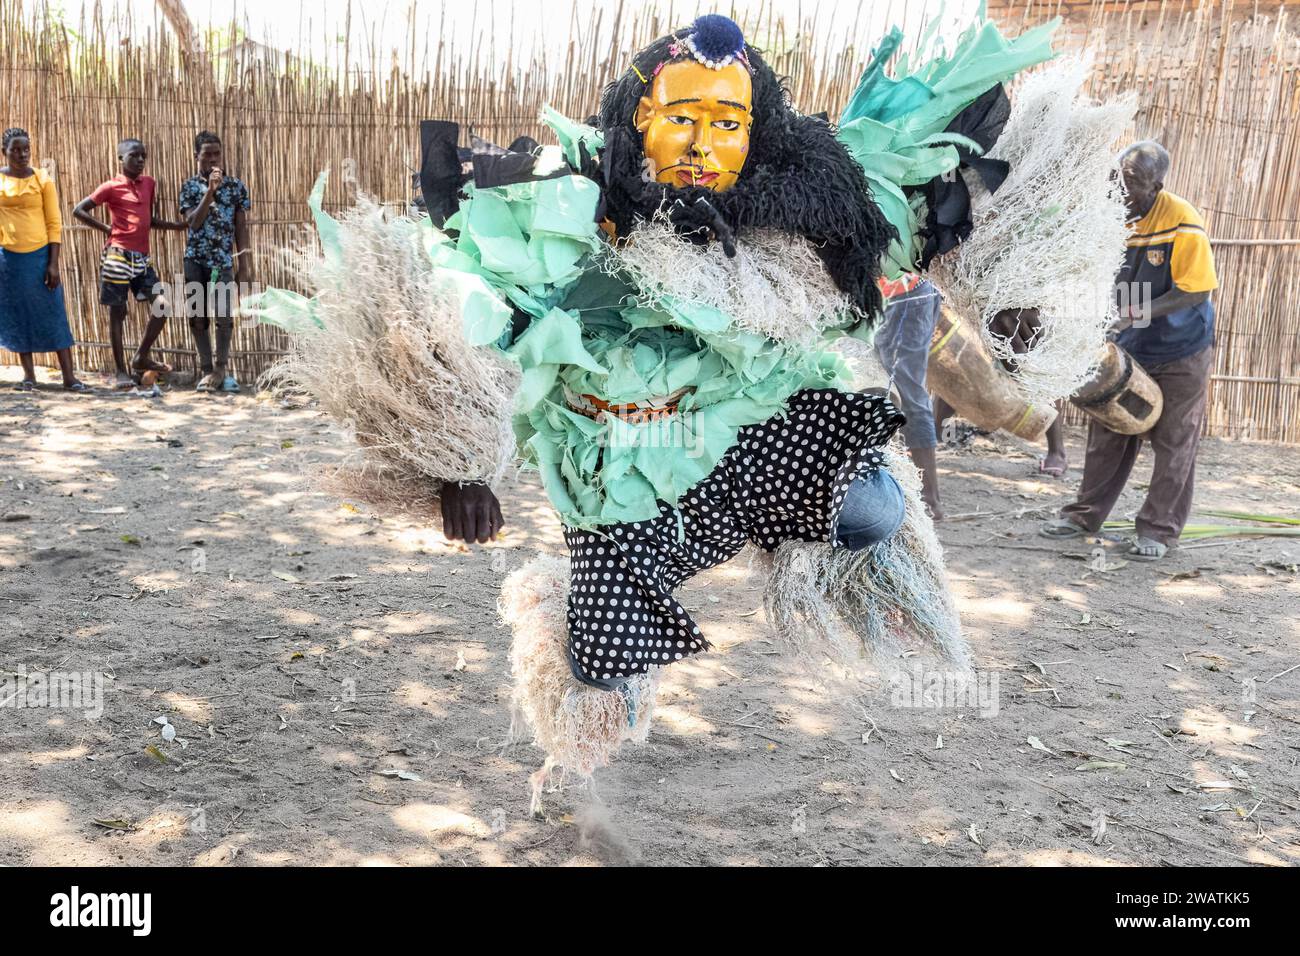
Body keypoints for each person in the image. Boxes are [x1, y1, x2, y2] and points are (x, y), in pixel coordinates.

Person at [250, 13, 1056, 791]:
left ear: (757, 130)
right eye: (684, 117)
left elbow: (931, 191)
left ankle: (796, 547)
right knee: (600, 674)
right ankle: (567, 655)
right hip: (618, 479)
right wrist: (456, 464)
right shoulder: (564, 208)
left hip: (751, 432)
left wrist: (1015, 302)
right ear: (640, 116)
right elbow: (461, 309)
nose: (706, 143)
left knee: (874, 513)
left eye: (729, 122)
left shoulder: (805, 200)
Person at [1041, 141, 1218, 561]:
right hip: (1132, 345)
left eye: (1134, 181)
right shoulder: (1110, 215)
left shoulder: (1182, 220)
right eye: (1119, 175)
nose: (1123, 186)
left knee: (1175, 438)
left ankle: (1159, 530)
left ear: (1157, 185)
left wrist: (1133, 313)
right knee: (1109, 430)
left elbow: (1196, 291)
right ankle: (1083, 516)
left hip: (1181, 346)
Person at [73, 138, 186, 389]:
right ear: (120, 159)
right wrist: (107, 229)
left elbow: (148, 218)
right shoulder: (110, 187)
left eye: (143, 156)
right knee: (118, 312)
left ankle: (140, 356)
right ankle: (121, 370)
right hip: (117, 256)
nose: (140, 160)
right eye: (134, 155)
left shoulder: (148, 183)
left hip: (141, 258)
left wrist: (176, 226)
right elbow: (79, 210)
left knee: (162, 306)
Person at [0, 128, 87, 392]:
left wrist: (53, 263)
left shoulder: (42, 179)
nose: (22, 154)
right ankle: (29, 376)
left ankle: (69, 377)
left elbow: (54, 222)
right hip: (8, 259)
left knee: (53, 313)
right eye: (15, 149)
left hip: (39, 257)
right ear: (4, 152)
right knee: (18, 314)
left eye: (26, 148)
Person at [178, 130, 252, 392]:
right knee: (198, 317)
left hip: (222, 261)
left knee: (223, 316)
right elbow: (193, 222)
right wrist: (210, 191)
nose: (213, 159)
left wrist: (244, 264)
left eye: (216, 154)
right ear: (196, 156)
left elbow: (241, 226)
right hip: (195, 260)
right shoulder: (189, 187)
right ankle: (207, 370)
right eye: (207, 154)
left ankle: (221, 369)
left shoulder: (235, 187)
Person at [875, 275, 943, 518]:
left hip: (905, 293)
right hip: (894, 294)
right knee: (887, 388)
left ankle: (929, 499)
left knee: (909, 392)